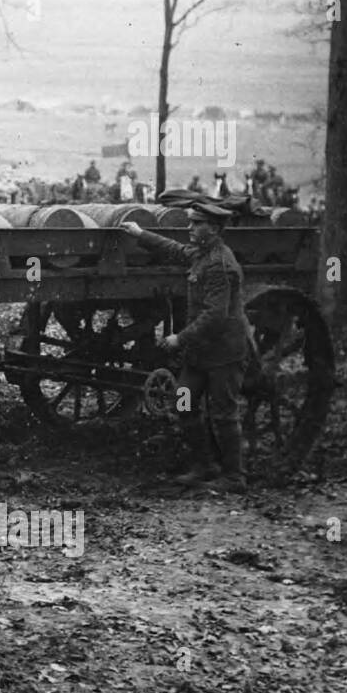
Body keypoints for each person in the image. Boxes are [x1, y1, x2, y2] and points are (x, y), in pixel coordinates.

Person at [122, 201, 248, 493]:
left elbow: (216, 315)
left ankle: (234, 476)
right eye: (190, 223)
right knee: (183, 401)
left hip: (224, 353)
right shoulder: (202, 254)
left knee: (224, 414)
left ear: (214, 229)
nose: (189, 228)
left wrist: (179, 338)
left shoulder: (220, 264)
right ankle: (204, 465)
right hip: (201, 352)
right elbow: (175, 250)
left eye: (196, 224)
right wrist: (140, 233)